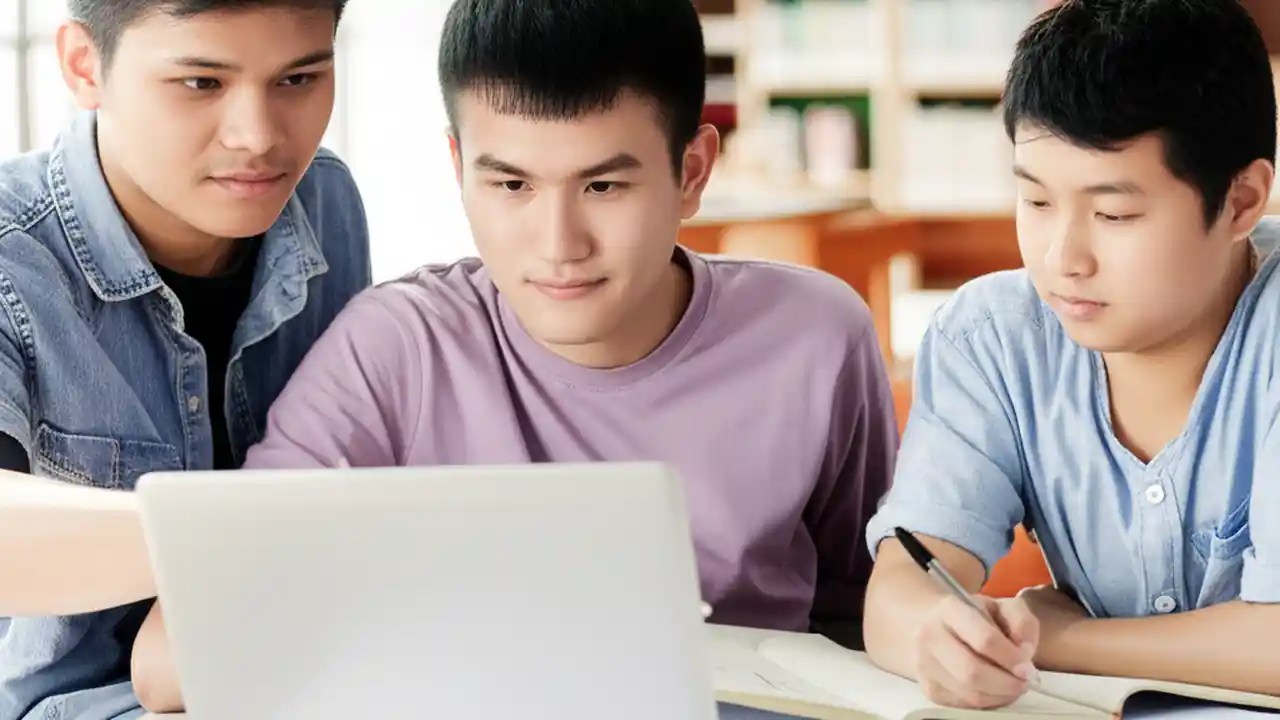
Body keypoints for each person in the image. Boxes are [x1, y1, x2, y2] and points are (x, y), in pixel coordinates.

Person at [128, 0, 900, 709]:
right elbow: (169, 660)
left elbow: (873, 617)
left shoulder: (816, 336)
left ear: (691, 170)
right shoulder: (396, 350)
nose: (558, 246)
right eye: (511, 185)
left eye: (603, 187)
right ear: (457, 165)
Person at [862, 0, 1280, 709]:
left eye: (1114, 214)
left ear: (1241, 202)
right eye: (1036, 202)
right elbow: (904, 584)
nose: (1062, 259)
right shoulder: (991, 338)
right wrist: (937, 636)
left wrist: (1053, 638)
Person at [0, 1, 369, 717]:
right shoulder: (13, 253)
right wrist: (248, 536)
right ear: (84, 65)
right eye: (202, 83)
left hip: (293, 684)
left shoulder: (324, 202)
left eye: (297, 79)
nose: (258, 138)